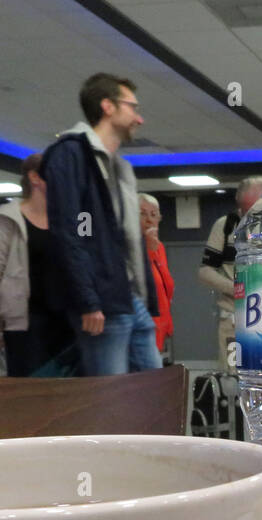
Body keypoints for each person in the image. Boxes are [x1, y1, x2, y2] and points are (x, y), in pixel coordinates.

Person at [40, 72, 160, 376]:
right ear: (108, 106)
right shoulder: (70, 154)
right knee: (112, 400)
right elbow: (69, 233)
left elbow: (126, 239)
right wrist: (88, 301)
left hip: (127, 297)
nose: (139, 118)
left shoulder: (120, 167)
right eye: (132, 107)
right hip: (102, 301)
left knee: (157, 393)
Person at [0, 153, 74, 377]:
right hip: (25, 320)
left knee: (67, 387)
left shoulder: (74, 216)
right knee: (30, 387)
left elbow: (88, 254)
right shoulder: (6, 218)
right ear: (35, 178)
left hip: (67, 317)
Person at [199, 176, 262, 371]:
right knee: (234, 376)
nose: (249, 215)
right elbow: (205, 272)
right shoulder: (225, 225)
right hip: (233, 319)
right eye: (245, 209)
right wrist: (236, 289)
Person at [140, 193, 174, 362]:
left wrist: (167, 323)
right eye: (142, 214)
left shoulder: (159, 247)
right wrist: (148, 251)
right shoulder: (129, 247)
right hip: (142, 325)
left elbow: (166, 287)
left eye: (153, 215)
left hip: (160, 323)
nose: (149, 220)